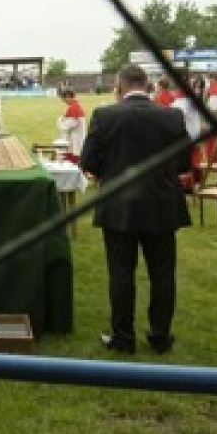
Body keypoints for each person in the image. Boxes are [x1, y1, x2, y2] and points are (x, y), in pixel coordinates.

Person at [80, 64, 192, 354]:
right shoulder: (171, 116)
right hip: (160, 203)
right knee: (163, 274)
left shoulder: (105, 115)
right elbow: (184, 162)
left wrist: (110, 172)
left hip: (119, 204)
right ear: (148, 85)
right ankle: (160, 336)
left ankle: (123, 336)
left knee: (121, 274)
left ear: (120, 86)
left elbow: (88, 160)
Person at [56, 89, 86, 161]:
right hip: (74, 138)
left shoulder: (74, 108)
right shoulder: (74, 106)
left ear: (68, 97)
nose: (63, 101)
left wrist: (60, 120)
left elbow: (66, 127)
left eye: (63, 98)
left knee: (73, 158)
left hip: (75, 140)